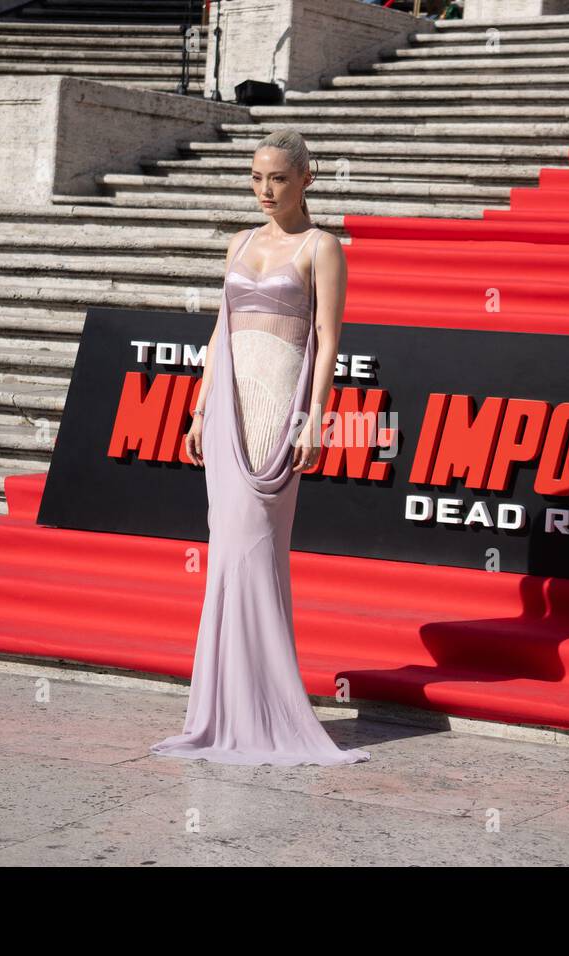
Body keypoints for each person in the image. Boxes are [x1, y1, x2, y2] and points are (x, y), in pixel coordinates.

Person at [148, 129, 371, 767]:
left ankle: (266, 710)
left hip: (279, 413)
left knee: (256, 551)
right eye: (255, 178)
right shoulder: (237, 244)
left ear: (307, 177)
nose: (264, 191)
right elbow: (220, 329)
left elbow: (328, 339)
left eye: (276, 178)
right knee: (226, 554)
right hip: (228, 412)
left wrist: (315, 417)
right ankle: (223, 709)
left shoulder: (322, 248)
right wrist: (198, 408)